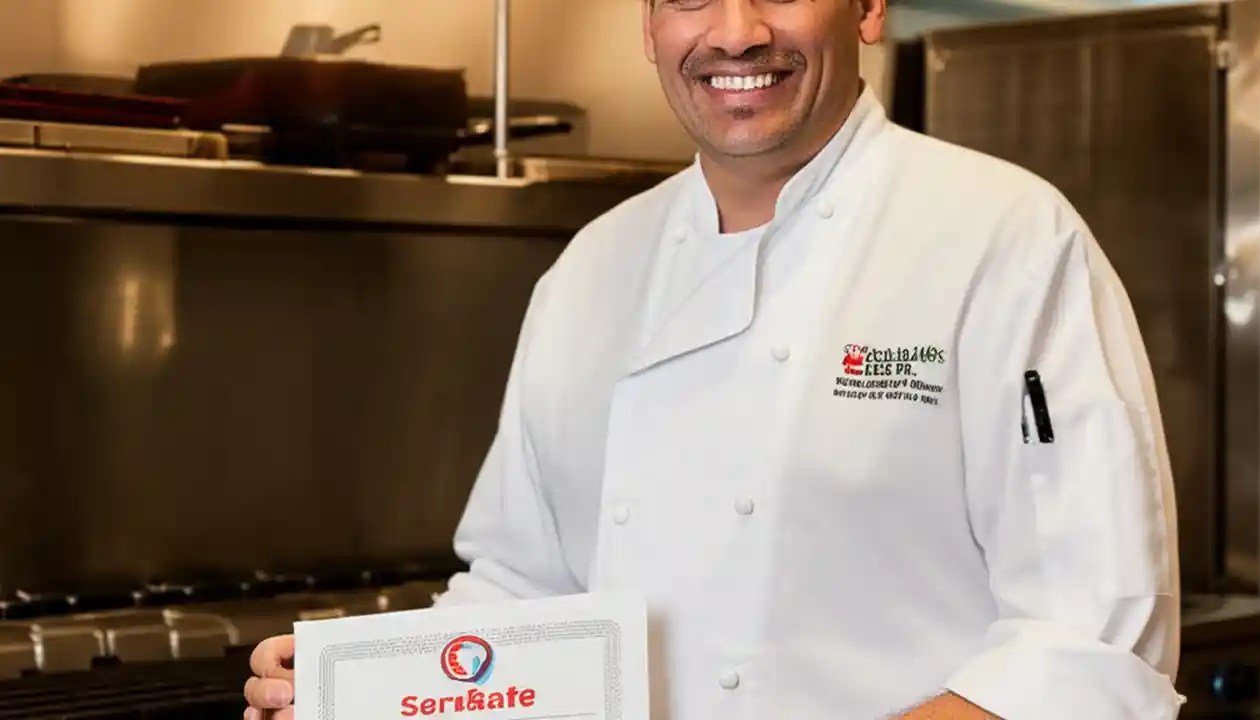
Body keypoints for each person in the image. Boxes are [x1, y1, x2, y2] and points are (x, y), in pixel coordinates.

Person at [244, 0, 1183, 718]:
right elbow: (525, 599)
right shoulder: (592, 266)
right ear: (649, 29)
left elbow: (1089, 646)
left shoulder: (1004, 238)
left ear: (867, 7)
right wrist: (358, 692)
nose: (734, 35)